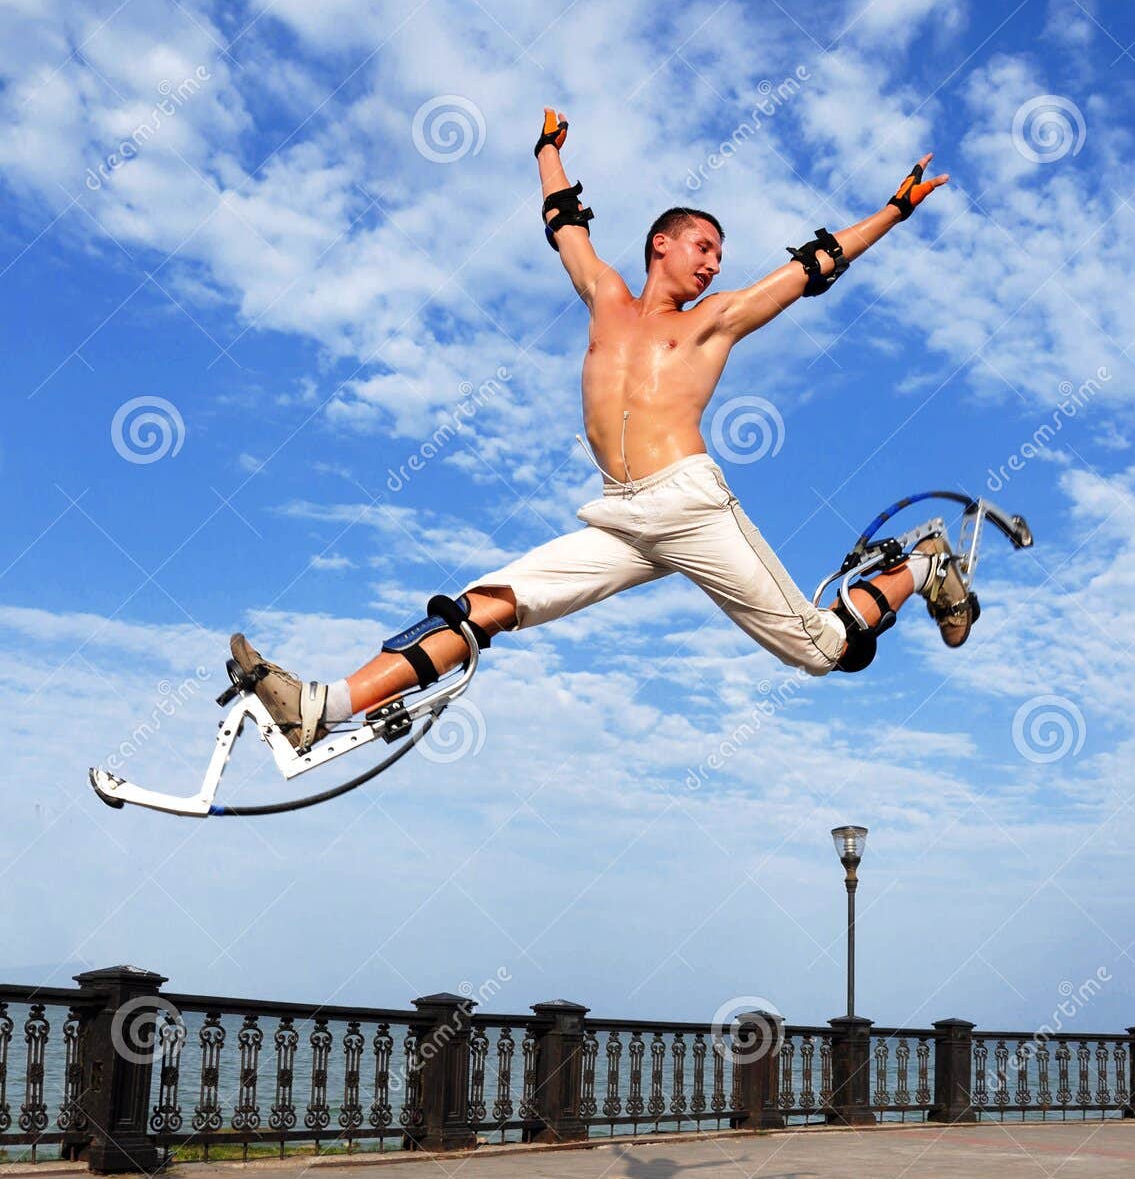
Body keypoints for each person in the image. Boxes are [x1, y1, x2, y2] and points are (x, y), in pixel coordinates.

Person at [230, 111, 969, 749]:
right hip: (619, 511)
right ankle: (321, 708)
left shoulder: (712, 322)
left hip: (688, 504)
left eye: (719, 256)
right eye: (702, 248)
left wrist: (893, 211)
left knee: (820, 648)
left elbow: (812, 267)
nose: (714, 265)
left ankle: (926, 567)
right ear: (662, 246)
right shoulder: (607, 299)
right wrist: (547, 150)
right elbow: (566, 227)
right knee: (486, 603)